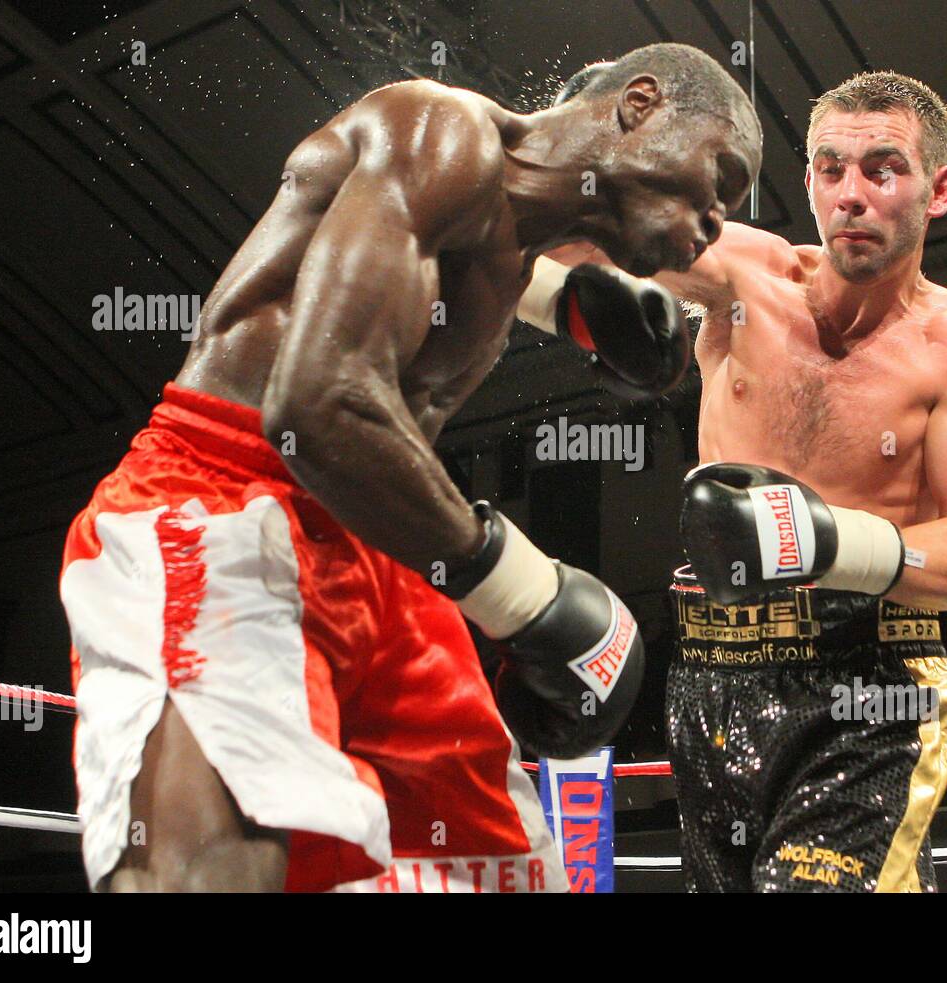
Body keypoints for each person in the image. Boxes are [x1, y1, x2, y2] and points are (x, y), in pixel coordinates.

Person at [58, 43, 761, 893]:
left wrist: (576, 302)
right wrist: (522, 596)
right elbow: (317, 404)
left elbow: (468, 246)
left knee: (488, 867)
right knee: (210, 866)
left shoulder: (500, 226)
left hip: (376, 539)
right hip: (220, 501)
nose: (721, 218)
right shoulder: (441, 126)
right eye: (721, 175)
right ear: (640, 102)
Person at [521, 70, 947, 891]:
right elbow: (537, 235)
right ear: (808, 182)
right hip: (708, 678)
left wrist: (821, 540)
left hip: (869, 686)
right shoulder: (745, 277)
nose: (852, 195)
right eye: (831, 170)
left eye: (882, 169)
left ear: (937, 190)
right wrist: (575, 289)